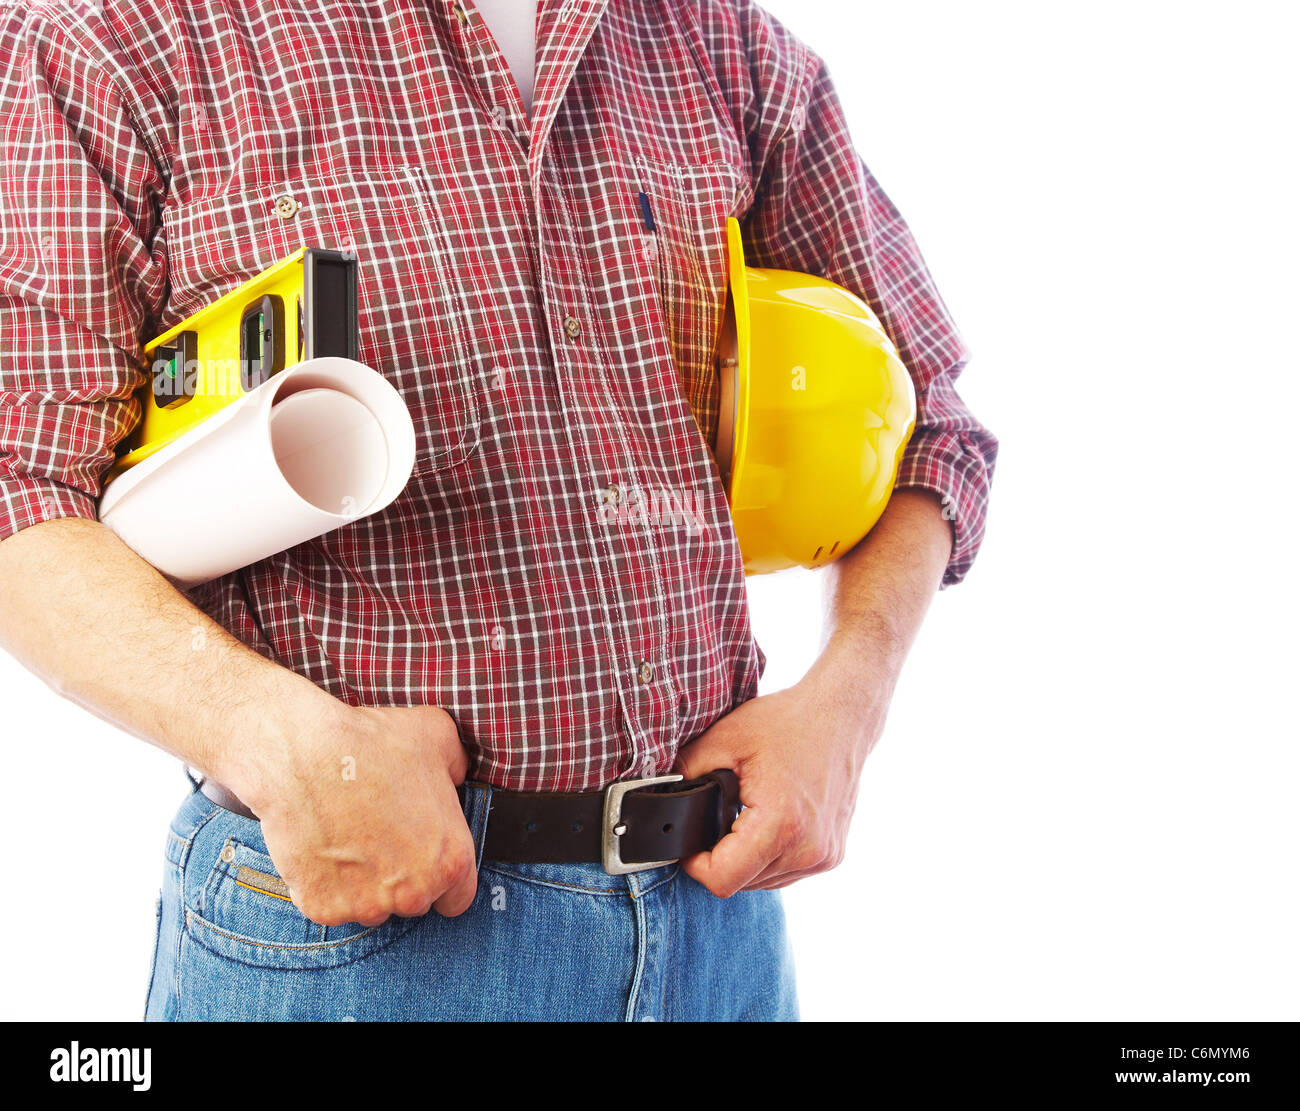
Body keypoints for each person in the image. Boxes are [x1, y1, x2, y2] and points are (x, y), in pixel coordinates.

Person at [0, 0, 996, 1021]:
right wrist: (269, 734)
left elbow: (932, 426)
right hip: (352, 937)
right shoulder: (118, 36)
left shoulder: (720, 43)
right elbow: (20, 493)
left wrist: (846, 705)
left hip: (717, 928)